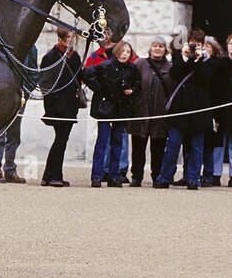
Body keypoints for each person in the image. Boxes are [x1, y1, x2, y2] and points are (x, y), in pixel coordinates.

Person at [157, 34, 216, 190]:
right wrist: (184, 57)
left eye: (197, 45)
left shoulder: (209, 61)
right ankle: (165, 177)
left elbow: (206, 78)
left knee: (196, 147)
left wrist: (198, 60)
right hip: (181, 109)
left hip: (199, 110)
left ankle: (193, 178)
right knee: (173, 146)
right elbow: (174, 75)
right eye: (192, 44)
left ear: (203, 45)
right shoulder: (179, 58)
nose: (193, 48)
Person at [82, 40, 141, 187]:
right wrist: (99, 88)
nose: (125, 54)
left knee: (117, 143)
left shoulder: (132, 69)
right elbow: (87, 73)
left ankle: (114, 175)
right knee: (102, 142)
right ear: (117, 52)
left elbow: (138, 84)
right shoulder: (106, 65)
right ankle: (97, 175)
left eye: (128, 52)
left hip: (121, 109)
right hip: (106, 109)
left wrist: (132, 90)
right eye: (122, 51)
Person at [39, 28, 83, 187]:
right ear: (61, 38)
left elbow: (79, 77)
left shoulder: (75, 56)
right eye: (69, 37)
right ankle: (51, 176)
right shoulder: (51, 57)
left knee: (62, 140)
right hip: (57, 106)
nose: (71, 40)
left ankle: (52, 175)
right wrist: (52, 103)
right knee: (60, 140)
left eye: (74, 38)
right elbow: (44, 83)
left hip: (70, 105)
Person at [0, 43, 38, 183]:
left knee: (14, 135)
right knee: (0, 134)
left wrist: (25, 92)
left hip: (20, 96)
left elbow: (33, 73)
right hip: (3, 96)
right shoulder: (5, 43)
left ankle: (10, 169)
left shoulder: (31, 48)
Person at [128, 37, 173, 187]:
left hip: (160, 113)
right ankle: (137, 176)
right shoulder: (140, 64)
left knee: (158, 148)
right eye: (155, 46)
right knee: (138, 148)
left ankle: (157, 176)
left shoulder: (170, 67)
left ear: (165, 49)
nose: (157, 49)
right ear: (150, 48)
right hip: (141, 112)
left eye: (160, 46)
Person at [199, 37, 231, 185]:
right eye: (231, 44)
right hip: (221, 108)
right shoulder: (221, 64)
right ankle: (216, 173)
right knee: (218, 143)